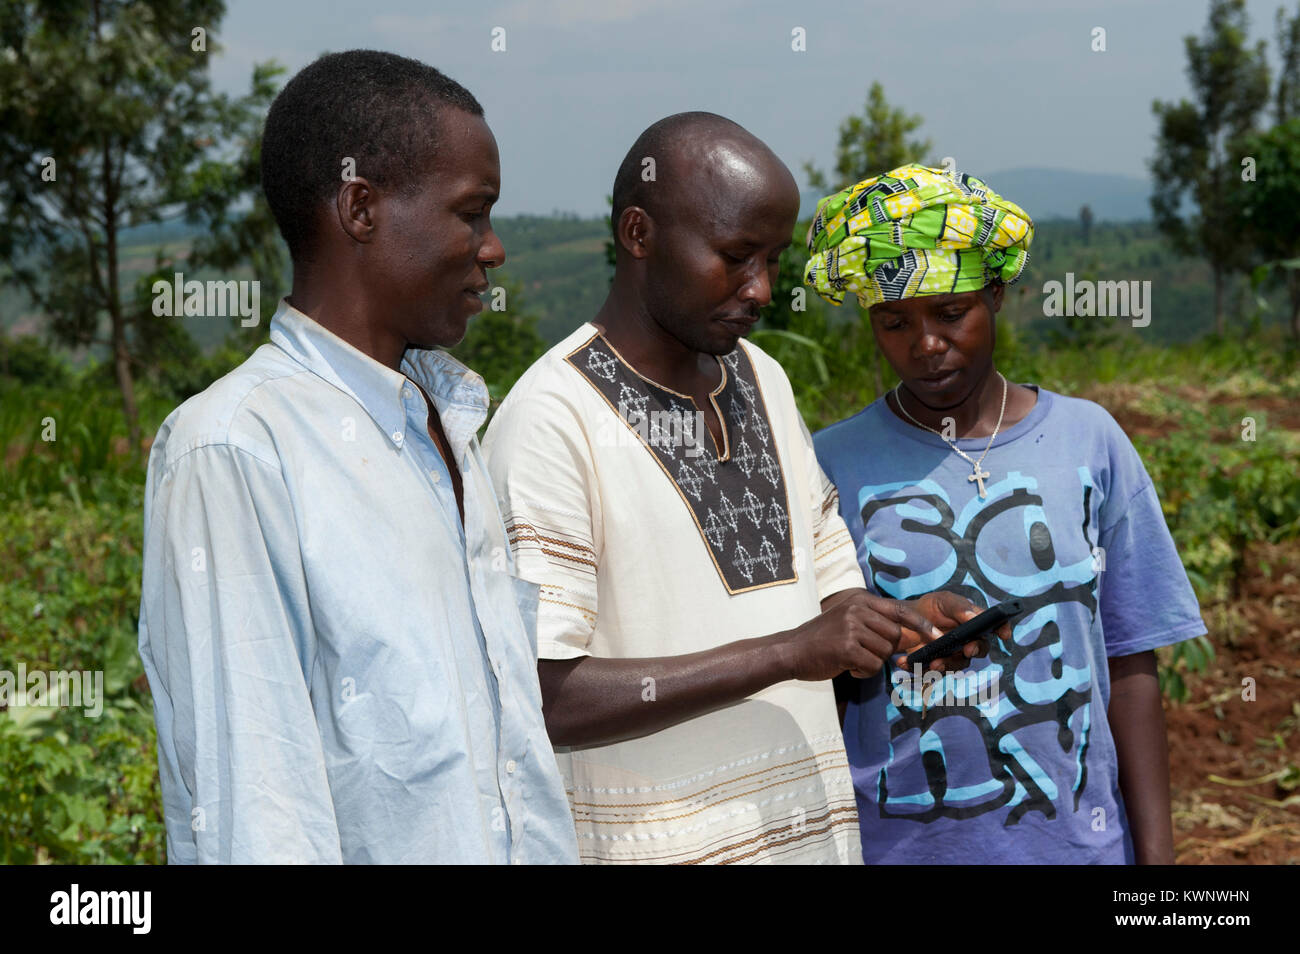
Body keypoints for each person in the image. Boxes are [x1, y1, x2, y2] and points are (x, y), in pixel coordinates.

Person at [481, 115, 988, 864]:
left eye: (775, 260)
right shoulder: (552, 420)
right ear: (638, 232)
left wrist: (893, 627)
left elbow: (829, 593)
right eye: (735, 257)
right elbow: (543, 696)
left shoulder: (763, 379)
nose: (762, 290)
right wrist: (790, 652)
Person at [136, 50, 578, 864]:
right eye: (472, 214)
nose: (494, 249)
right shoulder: (236, 449)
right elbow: (258, 804)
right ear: (361, 208)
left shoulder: (446, 420)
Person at [807, 165, 1207, 864]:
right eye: (894, 322)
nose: (925, 343)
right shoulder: (829, 464)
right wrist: (885, 637)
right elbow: (807, 666)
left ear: (995, 293)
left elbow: (1130, 659)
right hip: (897, 848)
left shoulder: (1091, 441)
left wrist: (1157, 866)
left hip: (1080, 849)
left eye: (951, 313)